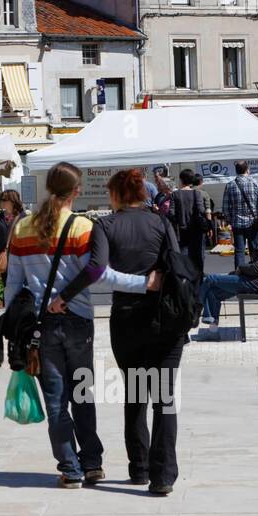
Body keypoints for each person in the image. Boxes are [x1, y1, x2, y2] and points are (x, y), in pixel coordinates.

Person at [6, 164, 155, 488]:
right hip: (78, 322)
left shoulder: (22, 228)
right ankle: (92, 464)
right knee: (82, 394)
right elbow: (102, 274)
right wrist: (143, 283)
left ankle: (70, 468)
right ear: (76, 191)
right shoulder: (82, 227)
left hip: (41, 326)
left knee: (56, 400)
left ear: (49, 188)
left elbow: (13, 286)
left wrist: (16, 323)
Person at [86, 169, 183, 495]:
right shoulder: (160, 222)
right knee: (165, 399)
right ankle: (163, 475)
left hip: (127, 320)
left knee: (136, 393)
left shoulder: (105, 225)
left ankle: (139, 467)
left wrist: (135, 284)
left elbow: (97, 272)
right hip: (165, 319)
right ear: (142, 192)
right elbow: (178, 266)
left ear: (115, 194)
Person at [200, 215, 258, 333]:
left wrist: (240, 268)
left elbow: (255, 269)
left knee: (210, 279)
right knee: (213, 293)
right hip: (253, 281)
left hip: (253, 283)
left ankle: (196, 306)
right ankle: (211, 323)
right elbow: (257, 268)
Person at [222, 161, 258, 267]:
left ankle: (239, 276)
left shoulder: (230, 185)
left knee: (239, 251)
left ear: (236, 171)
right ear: (248, 169)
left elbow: (225, 207)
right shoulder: (256, 183)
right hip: (253, 223)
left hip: (237, 223)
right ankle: (255, 275)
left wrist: (229, 220)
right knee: (255, 250)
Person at [170, 169, 212, 274]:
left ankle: (185, 278)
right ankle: (198, 278)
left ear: (181, 180)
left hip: (181, 230)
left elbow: (171, 213)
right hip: (196, 229)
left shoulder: (175, 194)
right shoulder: (196, 194)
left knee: (183, 255)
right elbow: (201, 210)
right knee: (197, 255)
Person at [0, 190, 25, 274]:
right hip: (3, 255)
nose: (2, 202)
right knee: (5, 281)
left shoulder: (23, 217)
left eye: (4, 200)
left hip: (18, 256)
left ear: (13, 201)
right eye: (1, 199)